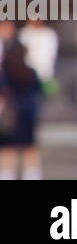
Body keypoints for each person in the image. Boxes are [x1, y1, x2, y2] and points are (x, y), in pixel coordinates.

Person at [0, 40, 44, 179]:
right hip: (28, 114)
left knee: (8, 151)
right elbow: (38, 90)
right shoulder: (31, 72)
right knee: (29, 149)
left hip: (10, 116)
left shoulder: (5, 74)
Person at [18, 18, 58, 94]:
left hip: (45, 76)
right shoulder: (24, 33)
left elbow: (50, 55)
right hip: (27, 76)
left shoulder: (49, 34)